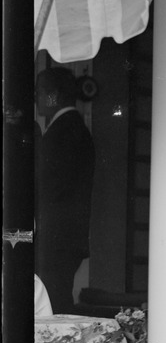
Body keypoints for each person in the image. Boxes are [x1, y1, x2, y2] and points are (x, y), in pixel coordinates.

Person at [34, 67, 95, 314]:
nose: (36, 99)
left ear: (52, 96)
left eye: (39, 92)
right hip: (62, 239)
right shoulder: (71, 129)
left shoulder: (65, 132)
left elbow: (48, 186)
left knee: (52, 305)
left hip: (55, 240)